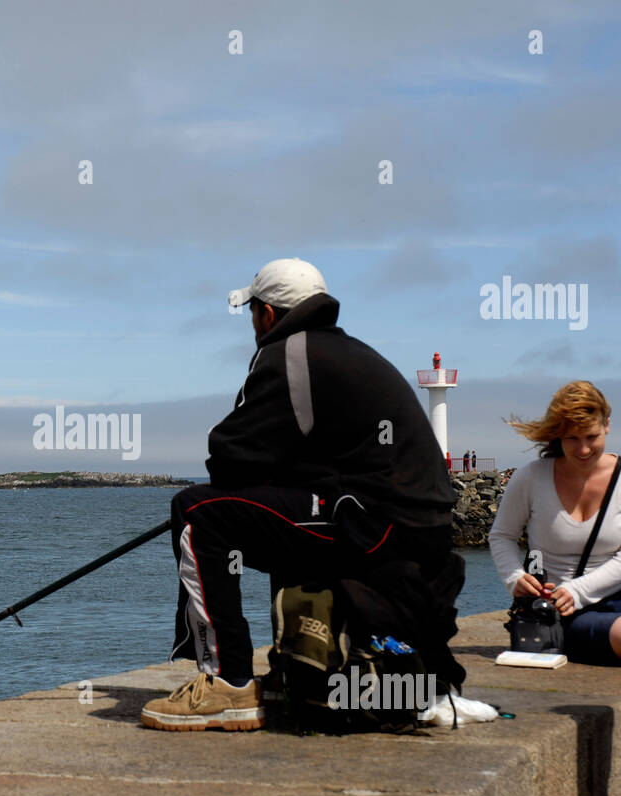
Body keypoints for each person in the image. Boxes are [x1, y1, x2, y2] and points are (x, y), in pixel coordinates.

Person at [141, 258, 462, 731]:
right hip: (414, 527)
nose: (252, 323)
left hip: (376, 526)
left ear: (267, 314)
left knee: (196, 510)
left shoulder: (285, 353)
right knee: (288, 509)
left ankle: (226, 683)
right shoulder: (349, 351)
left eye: (253, 312)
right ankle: (292, 668)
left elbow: (228, 453)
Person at [488, 381, 621, 664]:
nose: (582, 449)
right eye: (572, 439)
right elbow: (502, 535)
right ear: (558, 436)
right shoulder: (531, 477)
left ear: (607, 424)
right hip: (560, 607)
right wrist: (515, 578)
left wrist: (578, 590)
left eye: (591, 437)